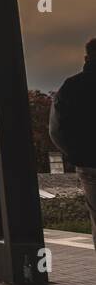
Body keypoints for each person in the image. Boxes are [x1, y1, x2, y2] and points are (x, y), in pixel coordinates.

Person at [50, 37, 96, 248]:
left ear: (87, 57)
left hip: (89, 164)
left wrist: (77, 156)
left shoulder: (71, 87)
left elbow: (57, 130)